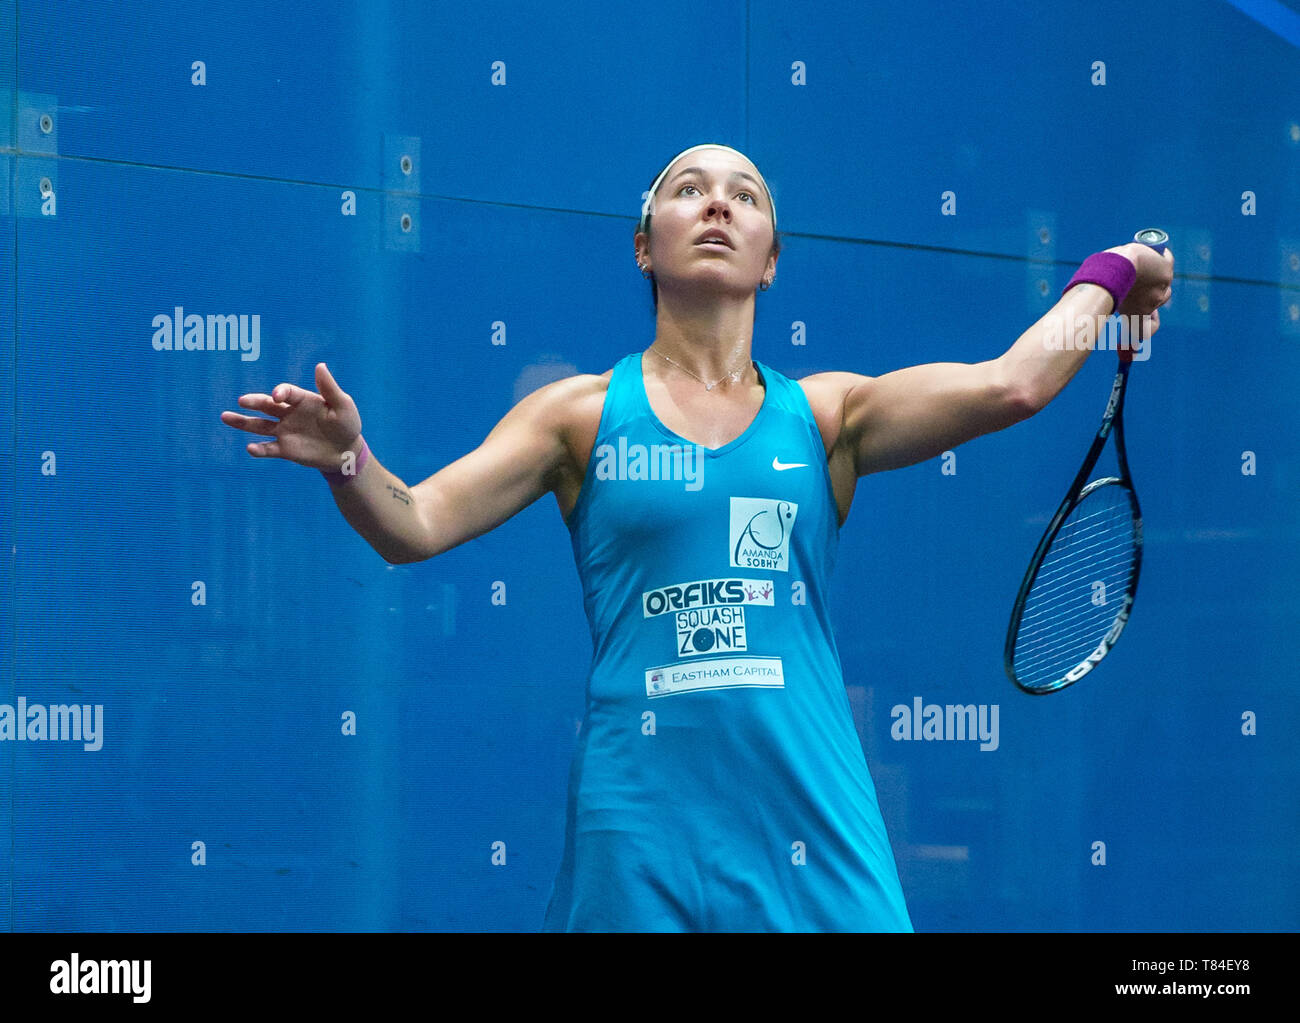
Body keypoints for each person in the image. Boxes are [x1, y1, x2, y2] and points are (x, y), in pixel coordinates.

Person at [219, 143, 1174, 931]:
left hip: (812, 820)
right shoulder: (577, 417)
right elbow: (413, 523)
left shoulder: (831, 417)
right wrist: (349, 458)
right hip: (637, 835)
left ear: (770, 260)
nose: (717, 205)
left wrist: (1116, 271)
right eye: (689, 190)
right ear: (644, 246)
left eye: (745, 196)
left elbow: (1013, 383)